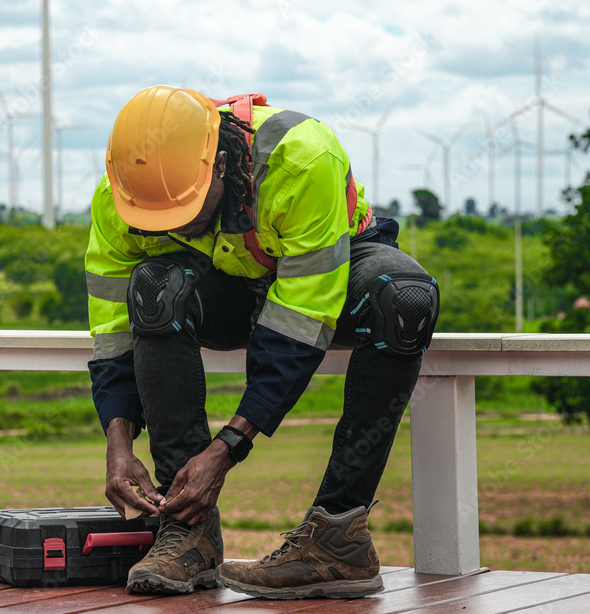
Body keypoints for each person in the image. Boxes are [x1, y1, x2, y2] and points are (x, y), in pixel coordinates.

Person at [84, 86, 439, 600]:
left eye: (185, 209)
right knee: (154, 287)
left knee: (405, 299)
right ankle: (186, 528)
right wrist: (117, 443)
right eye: (160, 218)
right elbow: (113, 327)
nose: (175, 225)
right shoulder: (126, 194)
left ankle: (337, 539)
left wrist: (227, 449)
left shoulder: (303, 156)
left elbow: (298, 322)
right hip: (229, 277)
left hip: (331, 266)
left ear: (221, 164)